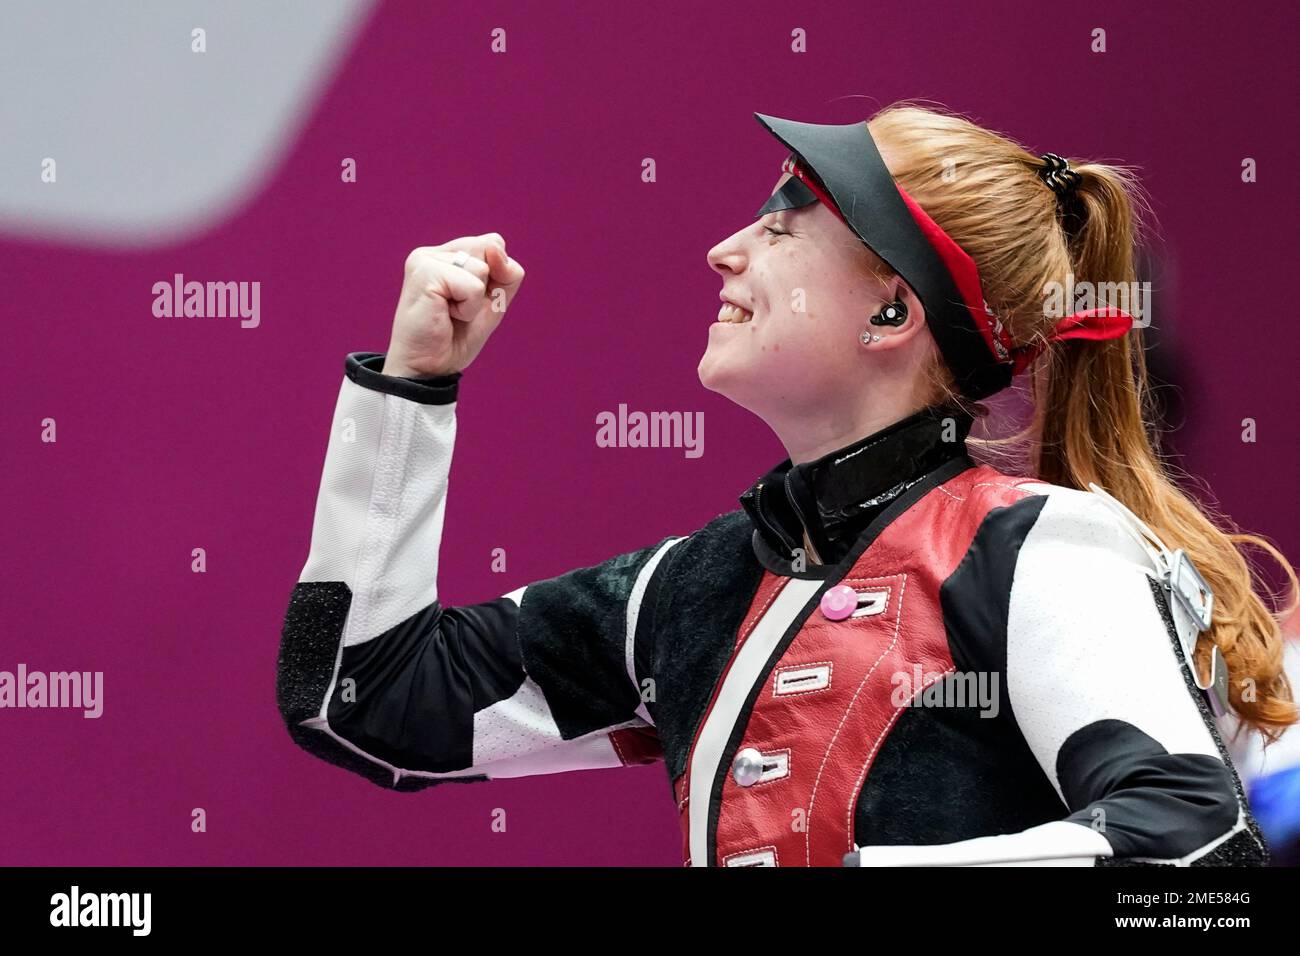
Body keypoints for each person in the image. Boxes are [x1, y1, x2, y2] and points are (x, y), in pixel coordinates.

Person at [276, 103, 1297, 867]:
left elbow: (1196, 853)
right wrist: (411, 387)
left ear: (891, 314)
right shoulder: (693, 587)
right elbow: (362, 697)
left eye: (780, 223)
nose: (722, 249)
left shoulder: (1035, 546)